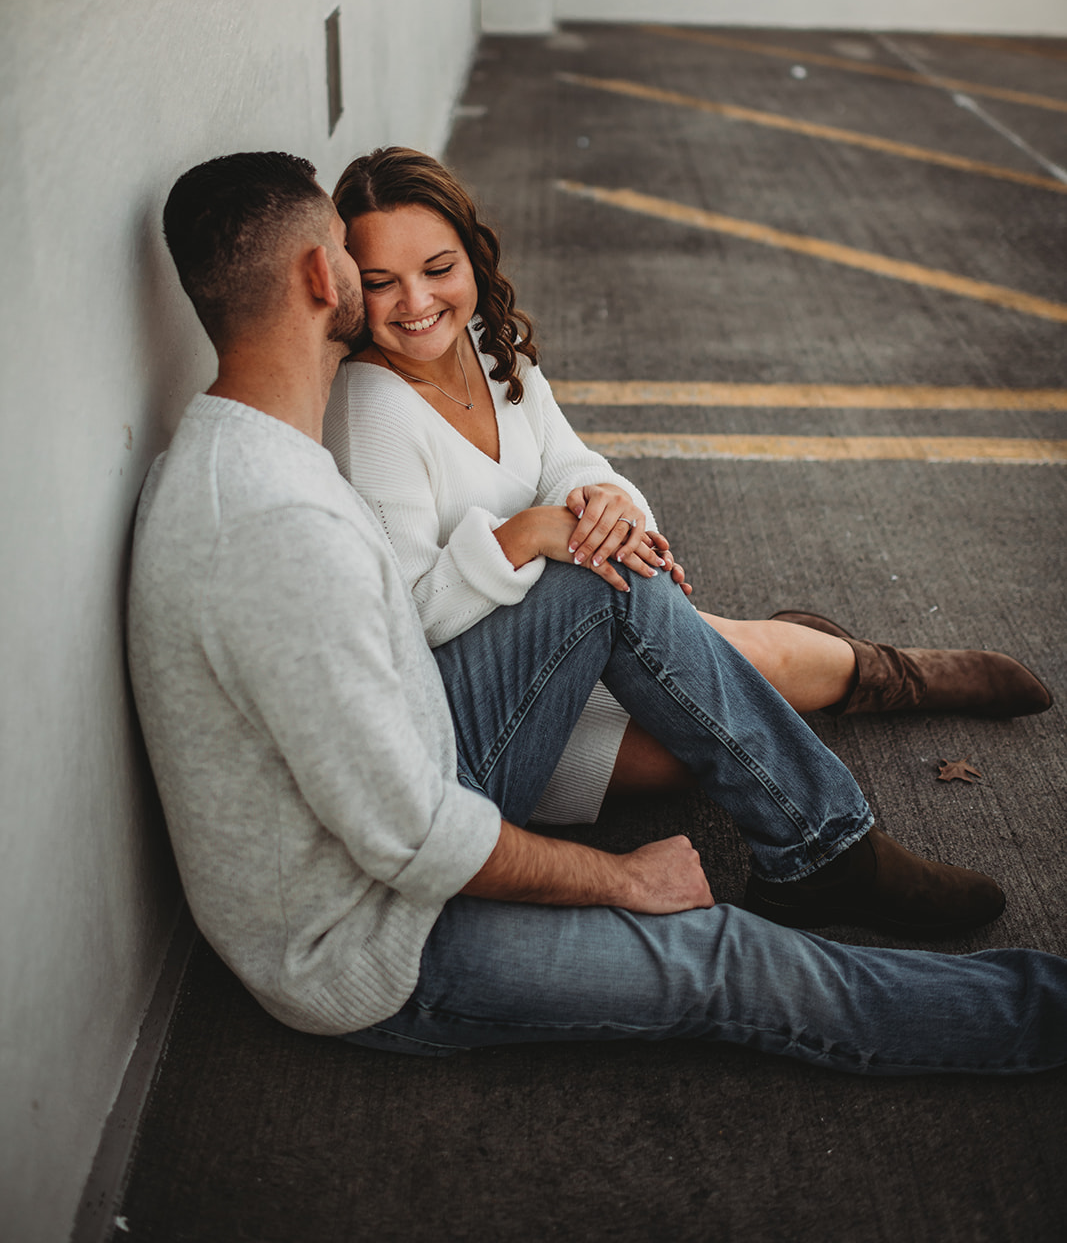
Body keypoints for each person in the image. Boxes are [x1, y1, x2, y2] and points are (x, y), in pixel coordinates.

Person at [127, 149, 1067, 1076]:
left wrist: (584, 515)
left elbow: (554, 493)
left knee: (597, 566)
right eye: (351, 251)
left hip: (423, 774)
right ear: (317, 276)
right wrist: (621, 881)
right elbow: (410, 840)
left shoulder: (247, 458)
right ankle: (1038, 1012)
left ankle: (823, 848)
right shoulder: (278, 527)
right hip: (373, 943)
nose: (396, 292)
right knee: (724, 957)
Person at [324, 146, 1051, 825]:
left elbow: (569, 463)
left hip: (589, 624)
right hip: (493, 699)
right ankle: (811, 656)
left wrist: (604, 501)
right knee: (700, 752)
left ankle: (891, 674)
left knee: (747, 674)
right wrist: (525, 534)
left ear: (472, 258)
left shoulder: (486, 346)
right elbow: (410, 625)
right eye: (381, 283)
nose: (415, 302)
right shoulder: (373, 408)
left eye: (437, 267)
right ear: (354, 291)